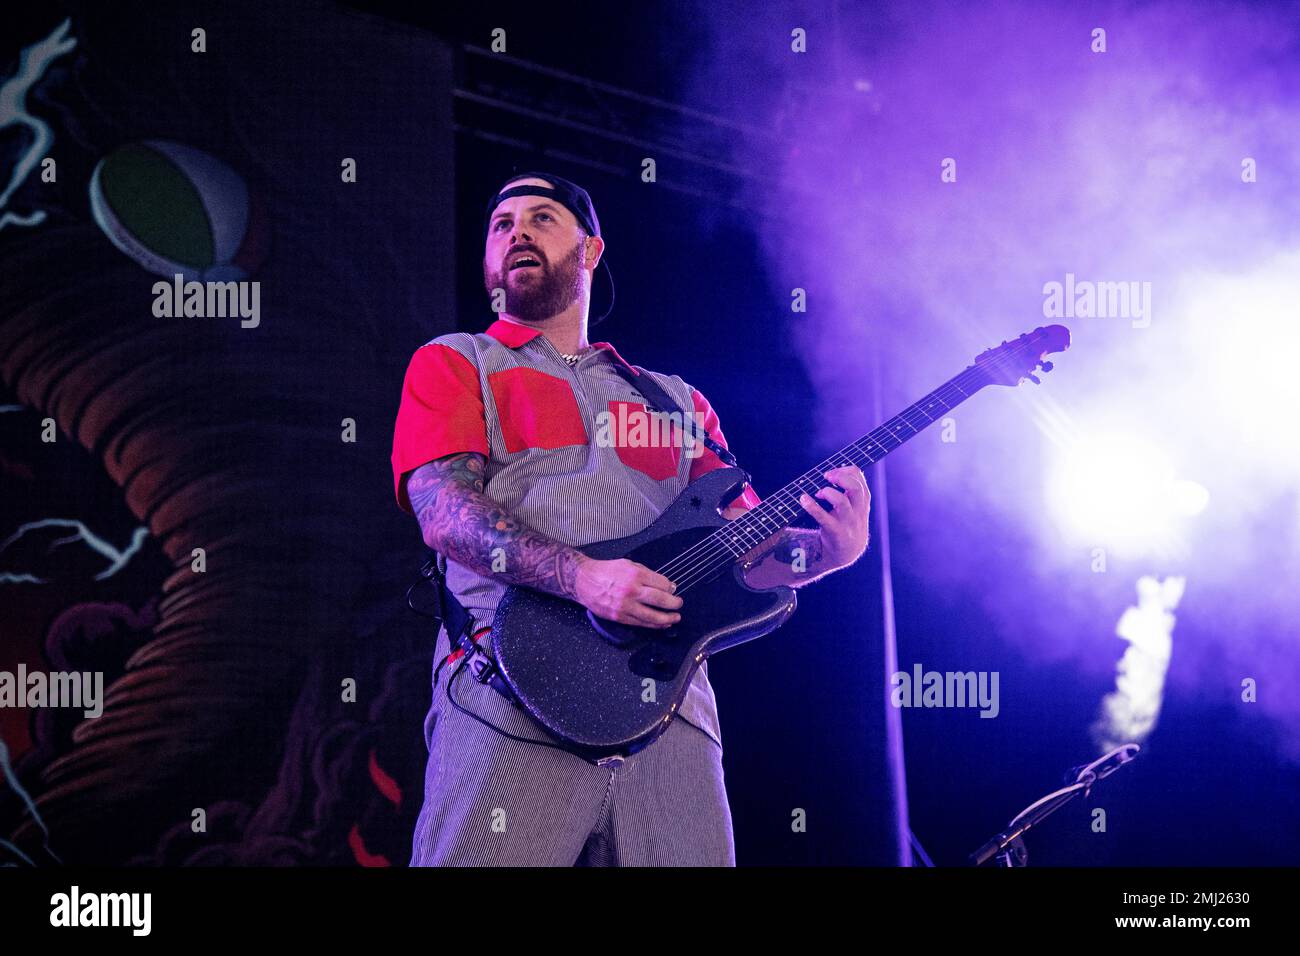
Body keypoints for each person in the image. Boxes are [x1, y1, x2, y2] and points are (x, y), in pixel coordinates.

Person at [390, 171, 871, 866]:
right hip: (512, 687)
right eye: (501, 225)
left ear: (591, 250)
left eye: (542, 218)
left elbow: (744, 552)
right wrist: (583, 578)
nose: (516, 231)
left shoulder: (678, 402)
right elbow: (443, 512)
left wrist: (826, 555)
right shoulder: (455, 361)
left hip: (672, 713)